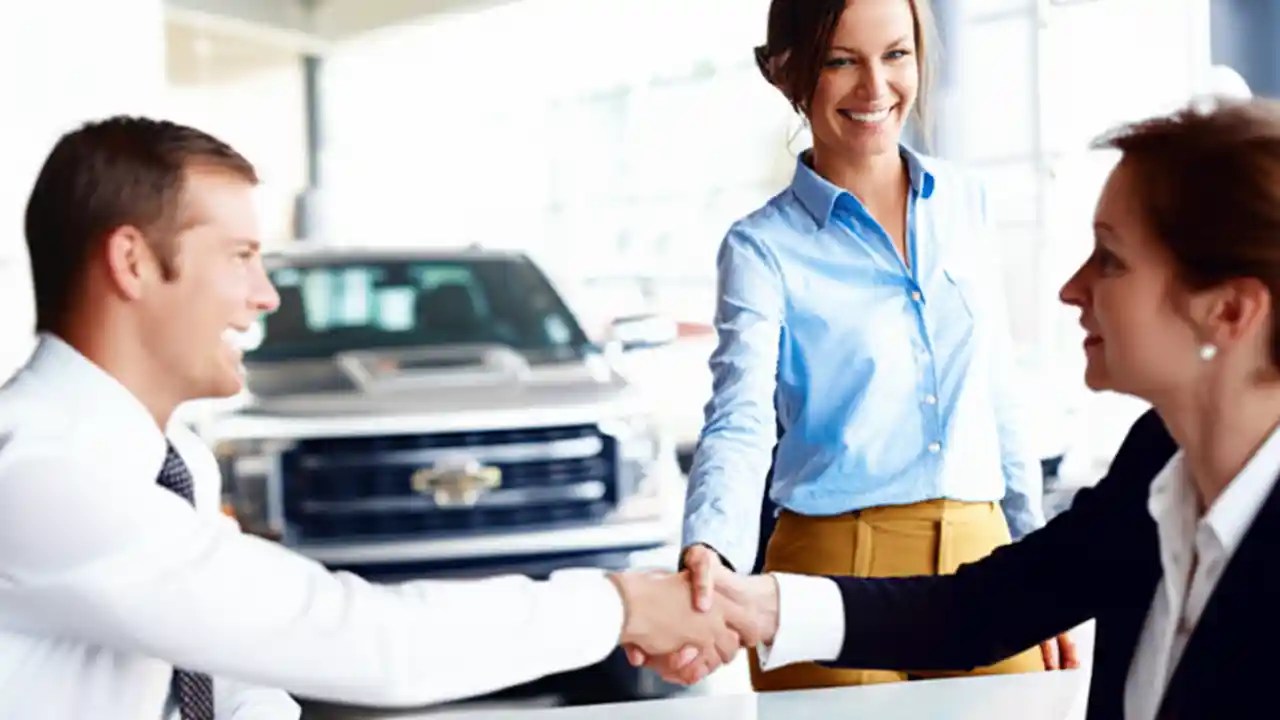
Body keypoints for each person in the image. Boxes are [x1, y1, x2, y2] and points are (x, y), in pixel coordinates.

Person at [0, 116, 757, 720]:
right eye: (239, 257)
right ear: (131, 262)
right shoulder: (38, 473)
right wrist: (621, 604)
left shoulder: (173, 464)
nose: (266, 296)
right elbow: (368, 639)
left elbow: (232, 672)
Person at [676, 96, 1280, 719]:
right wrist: (753, 603)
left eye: (1110, 259)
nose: (1071, 289)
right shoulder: (1157, 465)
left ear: (1228, 311)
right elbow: (978, 610)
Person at [668, 0, 1068, 690]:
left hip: (984, 554)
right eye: (840, 61)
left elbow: (997, 390)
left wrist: (1040, 565)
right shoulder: (762, 247)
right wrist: (711, 550)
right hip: (830, 563)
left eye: (896, 55)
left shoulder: (969, 203)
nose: (876, 89)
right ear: (789, 71)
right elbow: (740, 417)